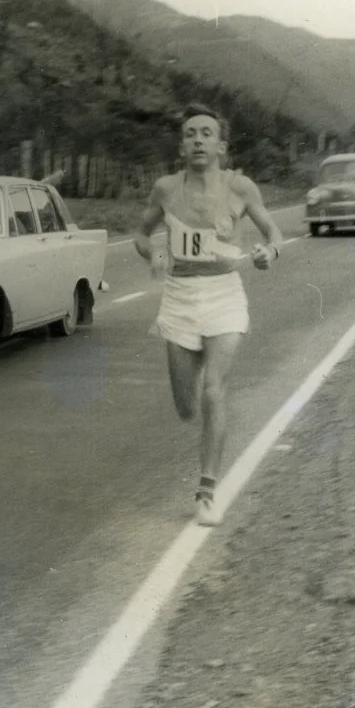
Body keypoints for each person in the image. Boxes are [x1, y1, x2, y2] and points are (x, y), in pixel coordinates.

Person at [134, 104, 283, 526]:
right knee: (186, 408)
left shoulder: (240, 188)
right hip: (180, 297)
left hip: (224, 295)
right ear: (181, 147)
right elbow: (140, 235)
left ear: (221, 146)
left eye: (206, 133)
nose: (198, 140)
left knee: (215, 390)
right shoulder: (166, 189)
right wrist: (158, 251)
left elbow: (273, 233)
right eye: (189, 134)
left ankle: (206, 491)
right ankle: (194, 376)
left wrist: (266, 253)